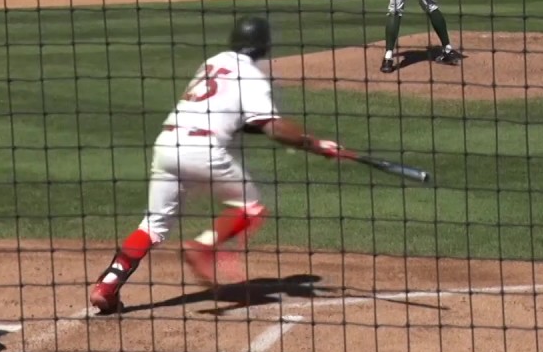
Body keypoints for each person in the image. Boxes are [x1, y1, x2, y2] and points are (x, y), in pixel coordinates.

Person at [87, 16, 363, 315]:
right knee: (251, 207)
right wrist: (317, 144)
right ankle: (203, 247)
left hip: (167, 145)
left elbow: (240, 119)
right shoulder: (251, 75)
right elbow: (274, 127)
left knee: (153, 225)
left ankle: (107, 286)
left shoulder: (213, 62)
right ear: (263, 45)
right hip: (203, 150)